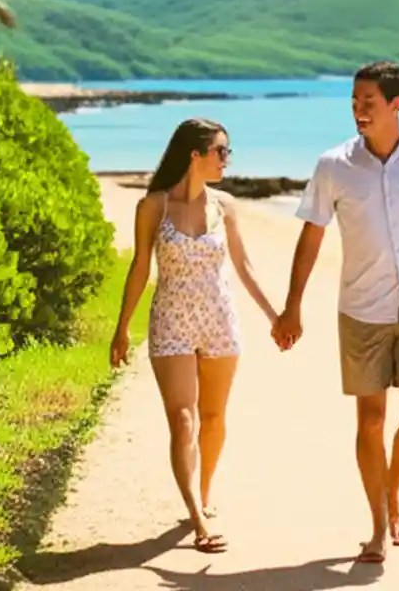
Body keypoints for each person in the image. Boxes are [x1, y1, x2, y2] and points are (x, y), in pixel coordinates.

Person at [273, 60, 399, 564]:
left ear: (396, 103)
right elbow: (311, 236)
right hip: (362, 309)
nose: (359, 109)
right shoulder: (333, 165)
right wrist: (292, 306)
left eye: (369, 101)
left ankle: (393, 486)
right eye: (355, 100)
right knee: (371, 420)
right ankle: (379, 527)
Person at [110, 117, 278, 553]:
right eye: (221, 151)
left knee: (215, 418)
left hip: (220, 321)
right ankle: (200, 519)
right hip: (172, 322)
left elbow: (244, 266)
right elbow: (140, 267)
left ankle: (202, 494)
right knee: (183, 419)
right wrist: (122, 327)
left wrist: (275, 315)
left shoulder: (225, 206)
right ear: (195, 154)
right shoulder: (154, 207)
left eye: (228, 152)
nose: (227, 159)